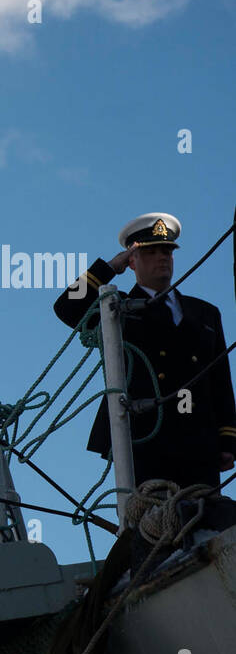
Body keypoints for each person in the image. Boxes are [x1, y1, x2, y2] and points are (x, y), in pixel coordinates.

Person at [54, 213, 236, 526]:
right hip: (145, 437)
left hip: (199, 440)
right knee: (155, 529)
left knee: (208, 524)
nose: (161, 259)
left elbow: (220, 380)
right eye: (150, 252)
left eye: (166, 252)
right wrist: (109, 268)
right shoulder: (115, 307)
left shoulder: (205, 312)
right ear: (133, 261)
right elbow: (66, 307)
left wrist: (228, 439)